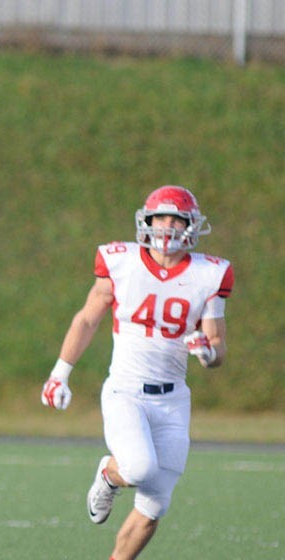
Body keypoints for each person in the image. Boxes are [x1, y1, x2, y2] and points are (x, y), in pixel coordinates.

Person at [39, 186, 233, 560]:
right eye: (161, 217)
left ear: (191, 226)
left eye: (176, 219)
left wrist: (207, 353)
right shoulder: (120, 261)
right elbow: (87, 318)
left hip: (174, 398)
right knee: (141, 468)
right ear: (146, 221)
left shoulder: (210, 274)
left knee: (154, 506)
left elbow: (218, 348)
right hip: (126, 391)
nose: (167, 227)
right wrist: (59, 373)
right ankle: (109, 474)